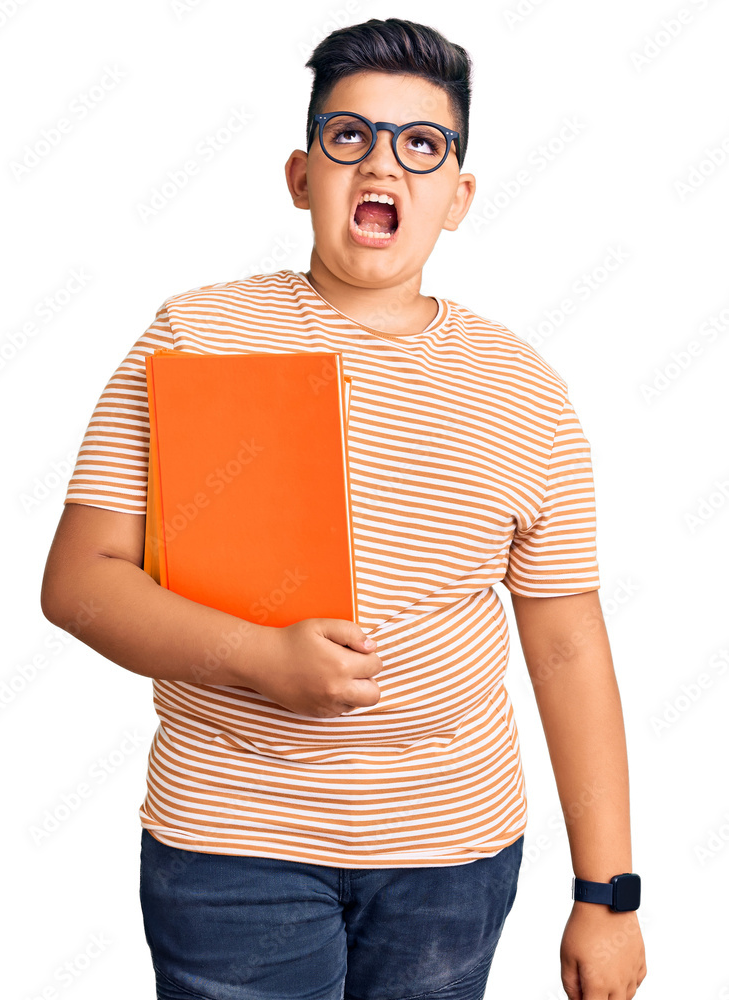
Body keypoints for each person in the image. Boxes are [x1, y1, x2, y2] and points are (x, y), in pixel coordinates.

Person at [41, 17, 647, 1000]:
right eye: (350, 135)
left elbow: (567, 640)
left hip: (453, 857)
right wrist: (260, 658)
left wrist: (606, 894)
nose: (383, 164)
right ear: (301, 175)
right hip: (231, 844)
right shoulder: (194, 336)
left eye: (422, 144)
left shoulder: (524, 388)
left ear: (458, 197)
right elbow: (78, 583)